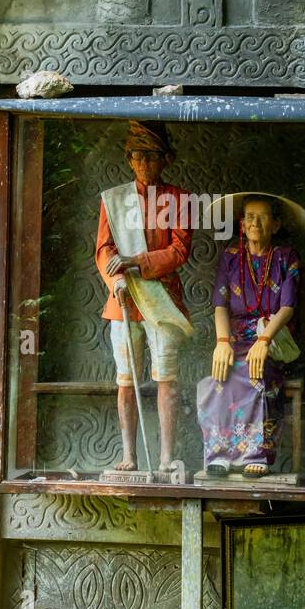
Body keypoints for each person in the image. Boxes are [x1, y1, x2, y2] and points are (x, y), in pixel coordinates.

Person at [96, 121, 192, 475]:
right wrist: (117, 278)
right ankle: (129, 455)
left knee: (166, 378)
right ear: (130, 159)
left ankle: (166, 457)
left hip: (162, 298)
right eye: (139, 156)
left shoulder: (180, 199)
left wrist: (137, 262)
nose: (145, 163)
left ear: (165, 159)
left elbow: (180, 250)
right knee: (126, 381)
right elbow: (105, 249)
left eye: (152, 156)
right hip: (123, 303)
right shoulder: (114, 200)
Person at [197, 193, 305, 478]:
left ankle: (255, 453)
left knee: (256, 373)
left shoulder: (287, 257)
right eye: (249, 217)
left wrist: (264, 341)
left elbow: (287, 307)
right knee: (215, 378)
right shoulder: (231, 258)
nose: (254, 223)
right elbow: (220, 304)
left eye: (262, 217)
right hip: (236, 340)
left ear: (275, 224)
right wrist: (222, 343)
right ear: (242, 224)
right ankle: (221, 452)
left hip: (272, 337)